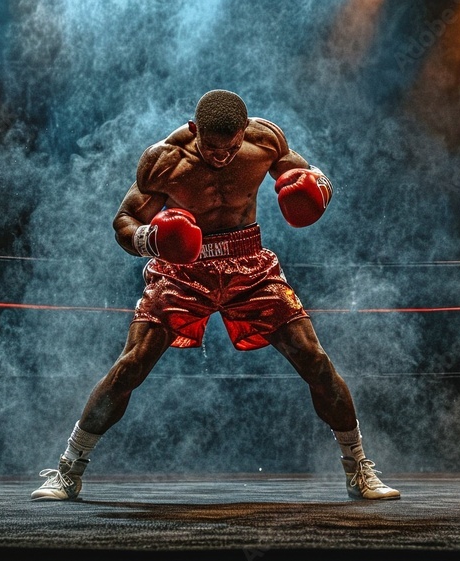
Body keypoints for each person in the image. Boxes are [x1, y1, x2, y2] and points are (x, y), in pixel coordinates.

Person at [31, 89, 399, 501]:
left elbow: (309, 175)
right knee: (130, 366)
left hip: (250, 265)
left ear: (244, 131)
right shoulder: (165, 161)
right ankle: (67, 469)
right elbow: (124, 220)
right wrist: (151, 239)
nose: (222, 156)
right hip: (184, 270)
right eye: (212, 147)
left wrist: (320, 190)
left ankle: (358, 468)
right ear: (194, 130)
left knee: (314, 360)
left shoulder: (264, 141)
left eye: (231, 146)